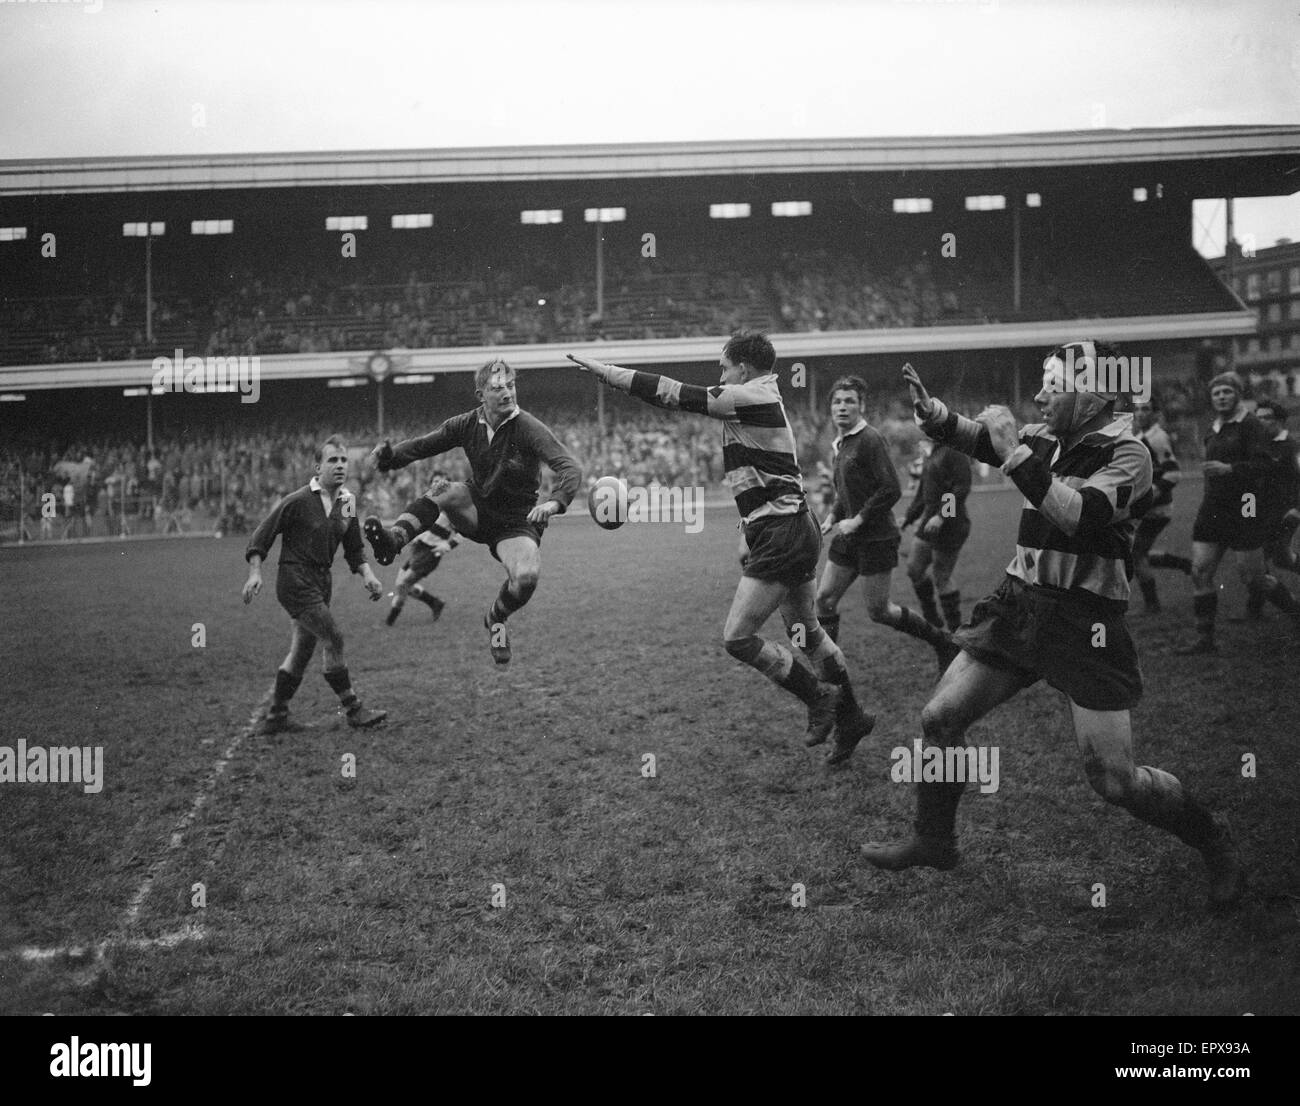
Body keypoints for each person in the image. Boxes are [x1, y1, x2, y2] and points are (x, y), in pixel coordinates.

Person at [859, 346, 1246, 911]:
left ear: (1091, 395)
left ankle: (1213, 838)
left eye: (1051, 384)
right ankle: (935, 839)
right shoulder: (1045, 437)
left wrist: (1014, 448)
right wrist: (934, 413)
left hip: (1085, 621)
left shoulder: (1129, 455)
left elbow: (1077, 514)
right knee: (939, 719)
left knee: (1115, 781)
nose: (1038, 395)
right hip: (1021, 603)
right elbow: (973, 436)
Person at [568, 332, 875, 765]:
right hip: (792, 527)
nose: (720, 376)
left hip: (782, 534)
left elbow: (673, 394)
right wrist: (747, 529)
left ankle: (819, 696)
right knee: (807, 632)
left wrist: (611, 374)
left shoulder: (749, 396)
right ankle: (853, 715)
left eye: (723, 368)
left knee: (737, 637)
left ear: (743, 369)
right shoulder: (761, 398)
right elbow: (764, 475)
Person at [364, 358, 581, 664]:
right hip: (477, 506)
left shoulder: (528, 427)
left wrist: (555, 502)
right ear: (481, 395)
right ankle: (394, 539)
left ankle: (495, 619)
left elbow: (569, 466)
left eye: (511, 385)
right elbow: (425, 445)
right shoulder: (466, 424)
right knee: (442, 489)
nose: (507, 393)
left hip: (515, 523)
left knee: (527, 577)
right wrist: (390, 457)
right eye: (497, 388)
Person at [243, 435, 387, 734]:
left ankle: (276, 715)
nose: (339, 466)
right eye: (332, 460)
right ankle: (353, 709)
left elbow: (353, 547)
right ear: (317, 467)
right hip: (295, 580)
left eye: (343, 460)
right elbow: (262, 534)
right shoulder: (298, 501)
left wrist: (368, 575)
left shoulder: (347, 502)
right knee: (333, 638)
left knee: (303, 649)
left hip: (321, 581)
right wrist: (255, 572)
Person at [814, 377, 959, 673]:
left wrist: (858, 519)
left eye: (850, 401)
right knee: (824, 599)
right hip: (849, 536)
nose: (842, 407)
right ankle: (831, 672)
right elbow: (846, 491)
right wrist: (833, 515)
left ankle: (942, 640)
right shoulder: (840, 443)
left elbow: (891, 488)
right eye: (837, 401)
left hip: (876, 538)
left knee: (879, 611)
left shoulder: (870, 439)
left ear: (862, 406)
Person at [1178, 372, 1298, 653]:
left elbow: (1266, 466)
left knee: (1253, 577)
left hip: (1245, 508)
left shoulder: (1252, 425)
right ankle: (1205, 640)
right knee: (1200, 571)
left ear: (1237, 394)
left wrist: (1230, 469)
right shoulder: (1213, 427)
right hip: (1214, 508)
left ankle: (1295, 612)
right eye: (1216, 392)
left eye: (1227, 392)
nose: (1221, 397)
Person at [902, 417, 974, 632]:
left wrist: (942, 516)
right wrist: (907, 518)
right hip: (929, 522)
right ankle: (932, 618)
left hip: (951, 525)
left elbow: (962, 487)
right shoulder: (931, 452)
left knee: (941, 576)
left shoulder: (954, 450)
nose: (925, 428)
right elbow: (923, 494)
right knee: (914, 568)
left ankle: (954, 631)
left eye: (929, 424)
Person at [1130, 399, 1190, 613]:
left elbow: (1173, 472)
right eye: (1136, 409)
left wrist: (1151, 493)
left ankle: (1152, 604)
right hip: (1145, 509)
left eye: (1145, 409)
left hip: (1157, 509)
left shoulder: (1158, 437)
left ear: (1155, 413)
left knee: (1135, 555)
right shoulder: (1139, 437)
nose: (1139, 413)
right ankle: (1181, 564)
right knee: (1135, 552)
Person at [386, 506, 458, 626]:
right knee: (400, 584)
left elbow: (462, 534)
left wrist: (448, 545)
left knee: (404, 584)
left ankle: (390, 621)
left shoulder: (453, 511)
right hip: (417, 549)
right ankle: (435, 602)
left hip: (430, 553)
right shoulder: (433, 505)